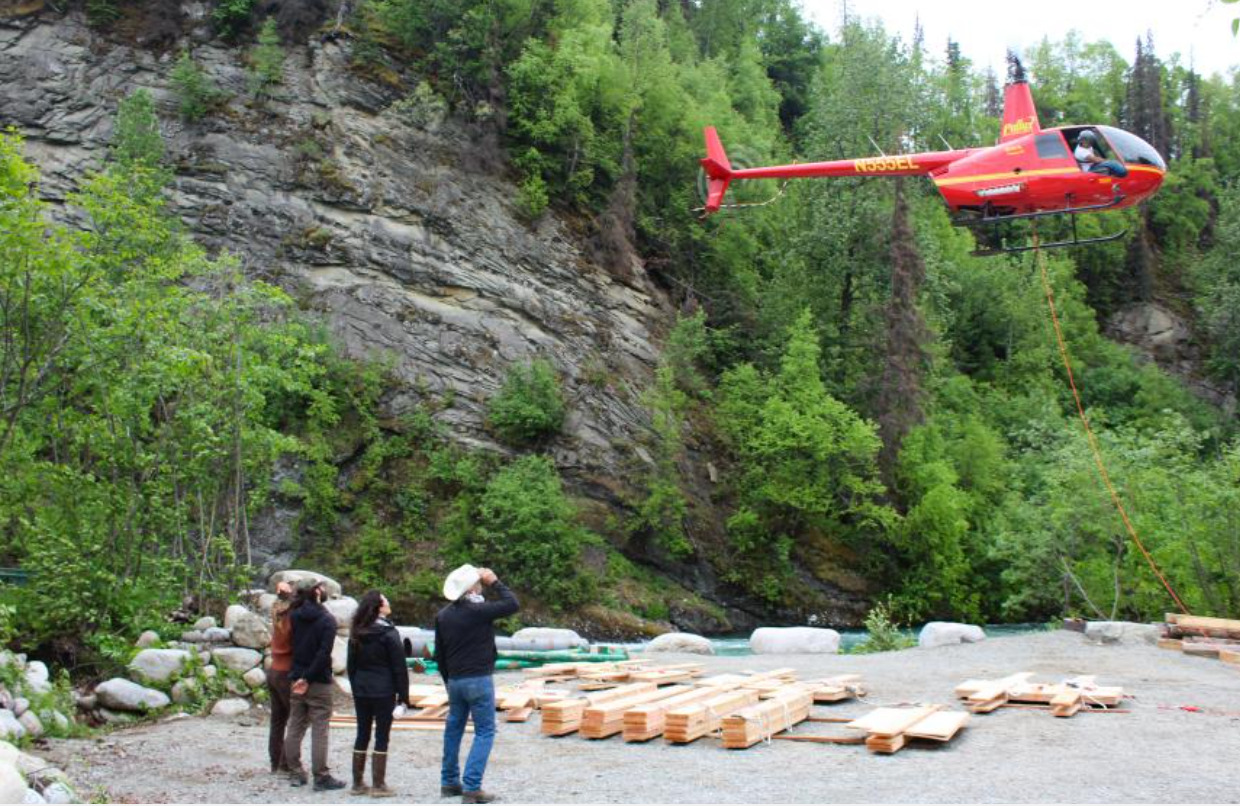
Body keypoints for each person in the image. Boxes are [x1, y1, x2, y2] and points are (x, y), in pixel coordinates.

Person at [434, 565, 519, 804]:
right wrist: (494, 581)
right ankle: (472, 787)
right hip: (478, 678)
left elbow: (439, 655)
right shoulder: (478, 610)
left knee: (454, 729)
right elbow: (512, 604)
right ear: (472, 588)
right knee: (485, 731)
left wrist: (448, 682)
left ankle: (449, 782)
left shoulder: (443, 615)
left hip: (455, 680)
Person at [283, 577, 346, 791]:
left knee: (295, 725)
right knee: (320, 729)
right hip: (317, 680)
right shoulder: (327, 619)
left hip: (297, 676)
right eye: (321, 586)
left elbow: (293, 644)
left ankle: (295, 772)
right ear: (316, 592)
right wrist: (308, 678)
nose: (325, 588)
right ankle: (321, 776)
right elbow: (323, 653)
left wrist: (300, 677)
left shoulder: (295, 615)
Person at [346, 590, 409, 798]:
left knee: (362, 733)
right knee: (382, 735)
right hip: (384, 690)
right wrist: (403, 697)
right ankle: (378, 785)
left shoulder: (357, 631)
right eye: (386, 601)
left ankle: (357, 783)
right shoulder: (389, 633)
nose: (389, 603)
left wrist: (356, 688)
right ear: (380, 607)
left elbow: (351, 665)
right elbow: (399, 668)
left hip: (362, 689)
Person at [265, 580, 295, 774]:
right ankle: (287, 762)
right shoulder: (290, 618)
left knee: (277, 720)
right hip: (286, 672)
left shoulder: (276, 612)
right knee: (295, 718)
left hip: (274, 669)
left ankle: (275, 762)